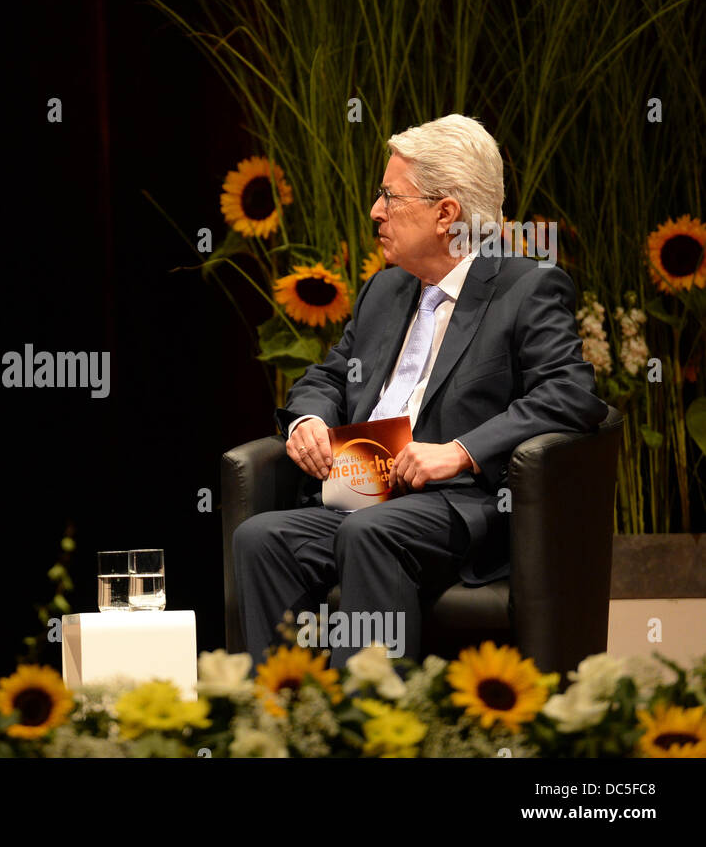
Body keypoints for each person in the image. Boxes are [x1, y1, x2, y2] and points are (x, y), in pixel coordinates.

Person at [232, 114, 609, 670]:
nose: (375, 211)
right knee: (261, 538)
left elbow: (572, 393)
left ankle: (372, 730)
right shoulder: (385, 289)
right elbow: (330, 376)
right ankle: (282, 727)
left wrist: (458, 452)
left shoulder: (525, 287)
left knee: (369, 532)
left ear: (446, 212)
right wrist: (306, 421)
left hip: (459, 506)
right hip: (363, 492)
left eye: (390, 195)